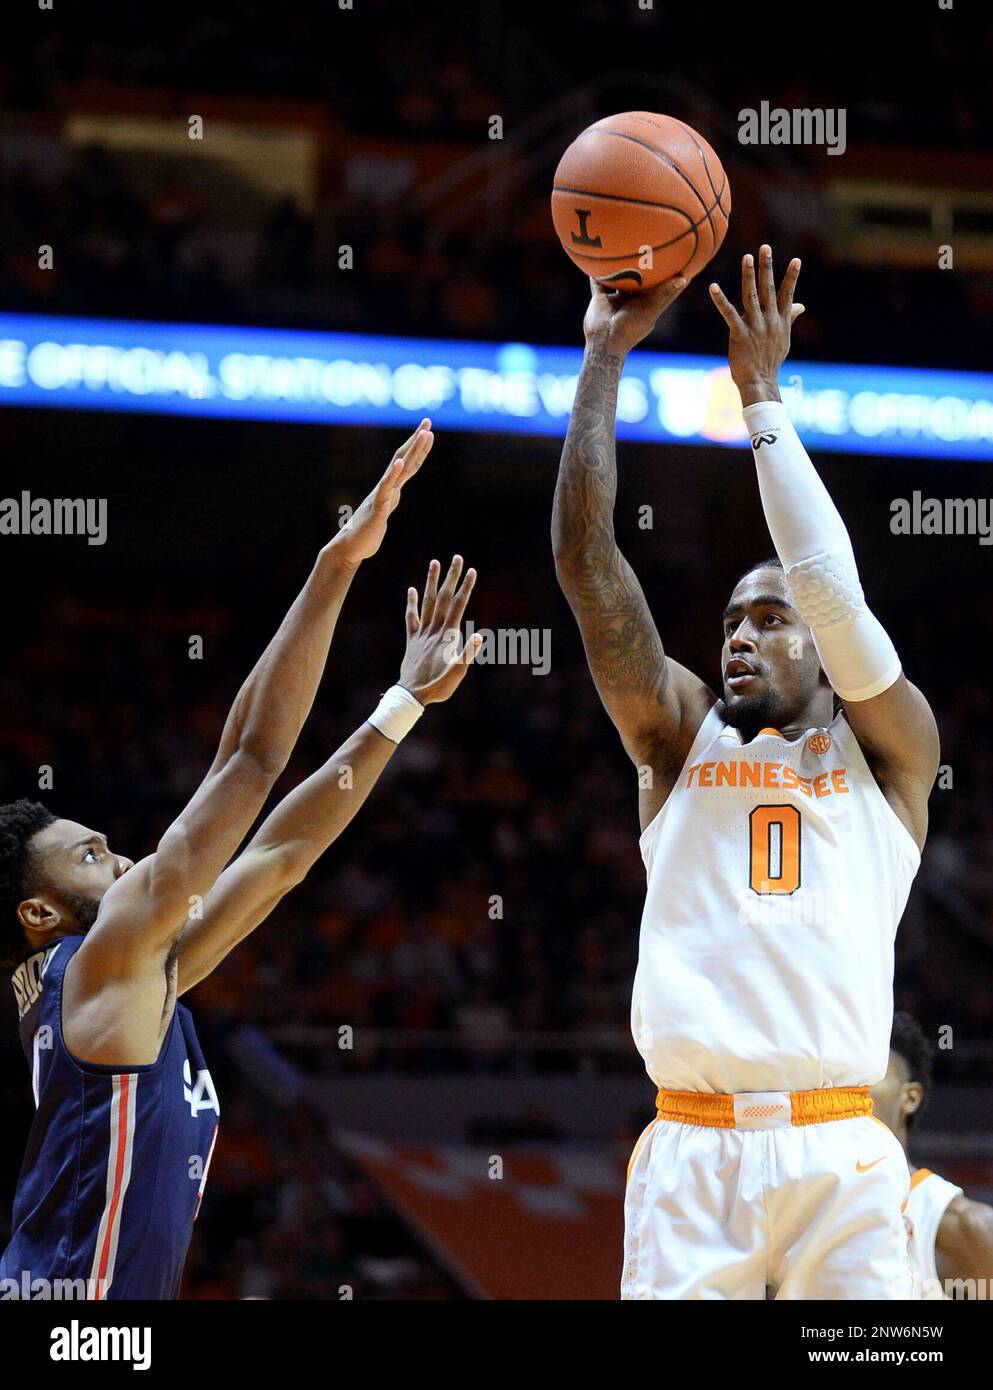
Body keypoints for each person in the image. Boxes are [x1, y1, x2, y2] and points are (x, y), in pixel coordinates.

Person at [0, 421, 481, 1300]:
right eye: (94, 856)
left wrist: (402, 705)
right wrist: (337, 565)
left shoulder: (129, 980)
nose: (128, 859)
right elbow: (250, 762)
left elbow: (283, 855)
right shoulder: (101, 960)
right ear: (39, 912)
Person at [551, 246, 940, 1299]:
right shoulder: (679, 736)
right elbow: (588, 568)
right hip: (692, 1149)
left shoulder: (895, 753)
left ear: (814, 643)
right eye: (730, 620)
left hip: (839, 1147)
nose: (739, 637)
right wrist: (601, 358)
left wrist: (762, 400)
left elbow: (830, 588)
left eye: (769, 621)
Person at [871, 1012, 993, 1300]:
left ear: (910, 1097)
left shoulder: (967, 1228)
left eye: (871, 1076)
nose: (852, 1090)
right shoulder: (796, 1205)